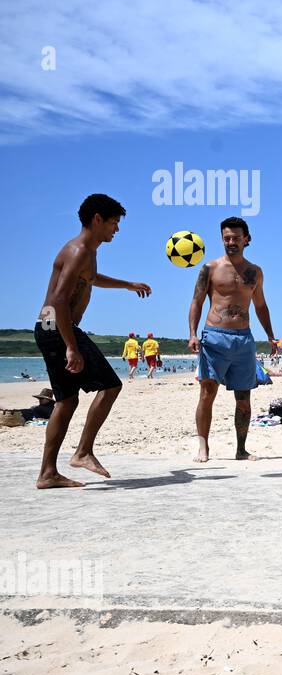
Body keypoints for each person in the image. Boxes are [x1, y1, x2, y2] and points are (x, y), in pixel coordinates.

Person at [33, 194, 151, 487]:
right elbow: (60, 299)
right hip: (57, 329)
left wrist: (127, 285)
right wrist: (71, 346)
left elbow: (92, 279)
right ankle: (83, 452)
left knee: (67, 400)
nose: (117, 230)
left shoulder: (88, 252)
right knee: (111, 385)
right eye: (113, 223)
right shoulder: (78, 250)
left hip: (50, 328)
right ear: (97, 219)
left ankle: (48, 473)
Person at [188, 217, 277, 462]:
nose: (230, 242)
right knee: (207, 394)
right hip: (214, 336)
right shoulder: (210, 268)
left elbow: (260, 305)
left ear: (246, 239)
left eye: (236, 238)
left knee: (244, 400)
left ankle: (241, 450)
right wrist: (193, 334)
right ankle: (203, 447)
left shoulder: (255, 272)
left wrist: (271, 335)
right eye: (226, 238)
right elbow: (196, 301)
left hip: (243, 339)